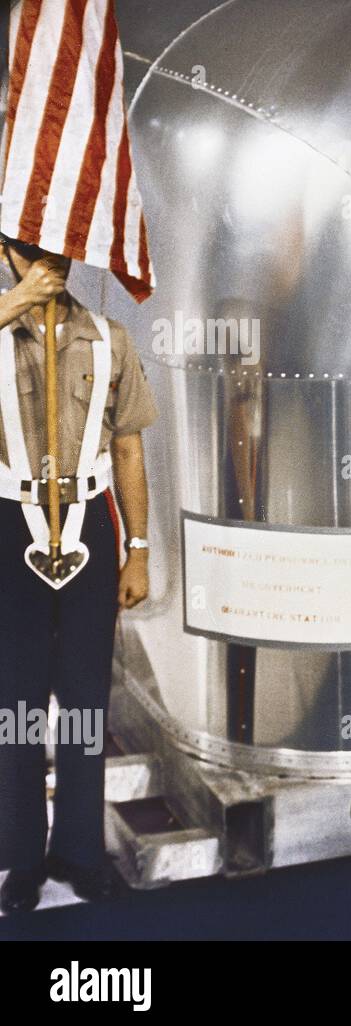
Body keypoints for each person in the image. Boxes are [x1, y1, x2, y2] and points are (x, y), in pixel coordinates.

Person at [0, 236, 157, 914]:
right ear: (5, 251)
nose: (48, 257)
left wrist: (141, 547)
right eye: (30, 245)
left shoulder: (109, 336)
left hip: (91, 525)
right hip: (12, 525)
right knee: (17, 708)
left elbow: (127, 446)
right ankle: (21, 856)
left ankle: (80, 852)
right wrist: (12, 306)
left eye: (61, 243)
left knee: (88, 702)